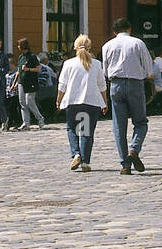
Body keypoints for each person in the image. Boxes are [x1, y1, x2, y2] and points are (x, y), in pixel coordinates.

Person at [101, 17, 151, 175]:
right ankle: (134, 150)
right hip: (135, 83)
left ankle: (125, 165)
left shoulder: (107, 46)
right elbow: (148, 67)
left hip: (115, 85)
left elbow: (105, 70)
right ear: (129, 29)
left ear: (114, 32)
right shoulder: (138, 43)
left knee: (119, 126)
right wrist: (141, 76)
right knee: (141, 122)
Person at [56, 34, 107, 171]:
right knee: (86, 131)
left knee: (72, 129)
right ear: (89, 48)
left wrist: (59, 100)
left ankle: (76, 154)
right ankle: (85, 162)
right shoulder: (96, 64)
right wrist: (104, 102)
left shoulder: (68, 63)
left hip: (73, 101)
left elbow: (62, 85)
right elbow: (102, 85)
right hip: (91, 101)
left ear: (75, 48)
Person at [11, 38, 46, 131]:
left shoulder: (32, 57)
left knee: (29, 102)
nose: (18, 47)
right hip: (21, 82)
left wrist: (28, 69)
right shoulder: (20, 57)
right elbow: (18, 72)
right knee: (22, 103)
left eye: (19, 45)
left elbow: (38, 69)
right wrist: (14, 84)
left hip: (31, 82)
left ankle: (40, 118)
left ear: (23, 46)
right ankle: (26, 123)